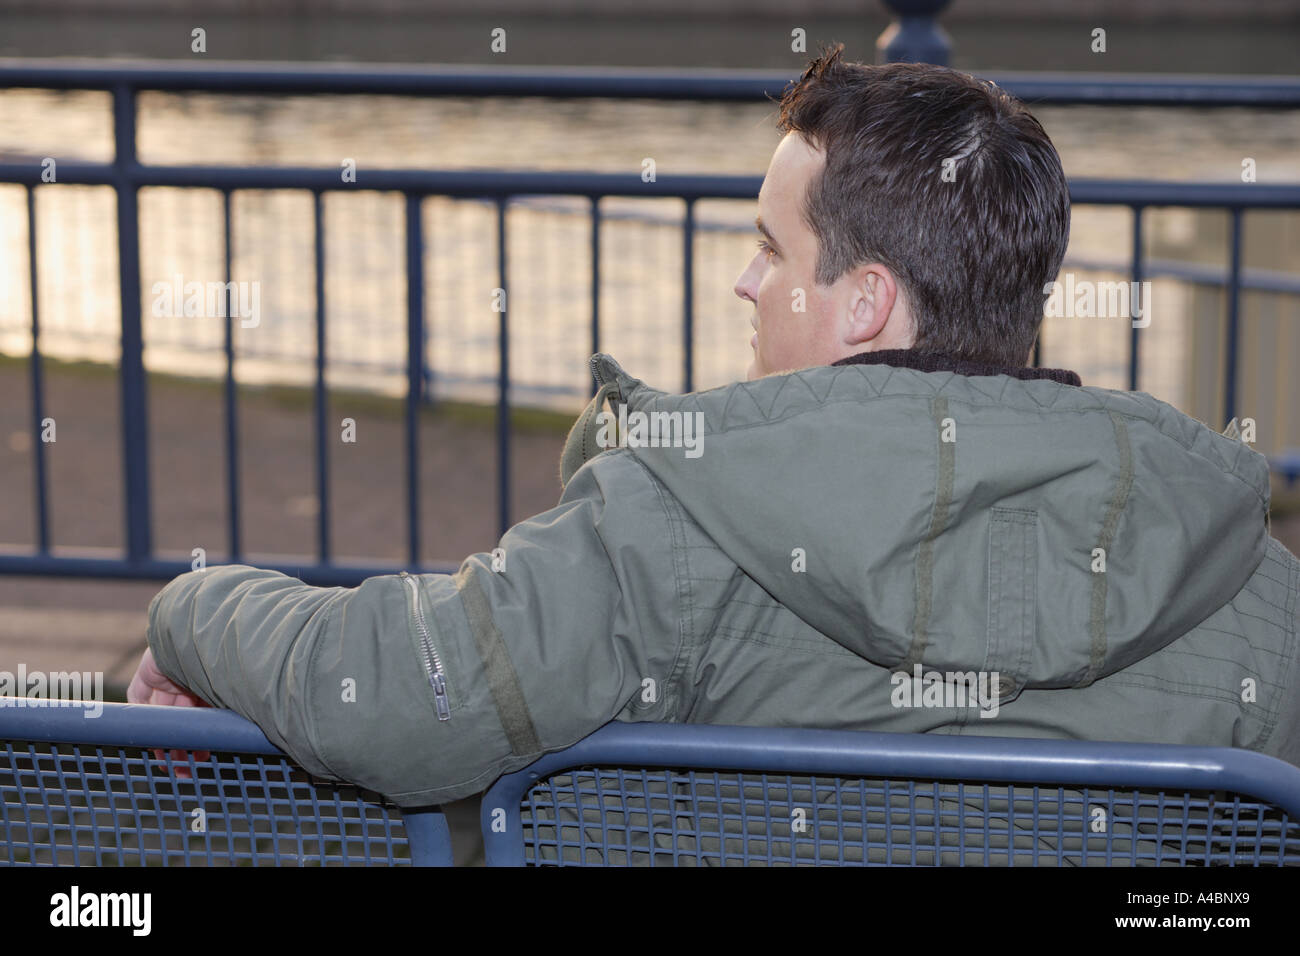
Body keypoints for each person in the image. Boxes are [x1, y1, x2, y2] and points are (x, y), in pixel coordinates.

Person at [130, 45, 1300, 817]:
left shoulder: (667, 530)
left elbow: (384, 695)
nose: (745, 282)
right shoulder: (1245, 579)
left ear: (864, 302)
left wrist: (191, 608)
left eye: (770, 246)